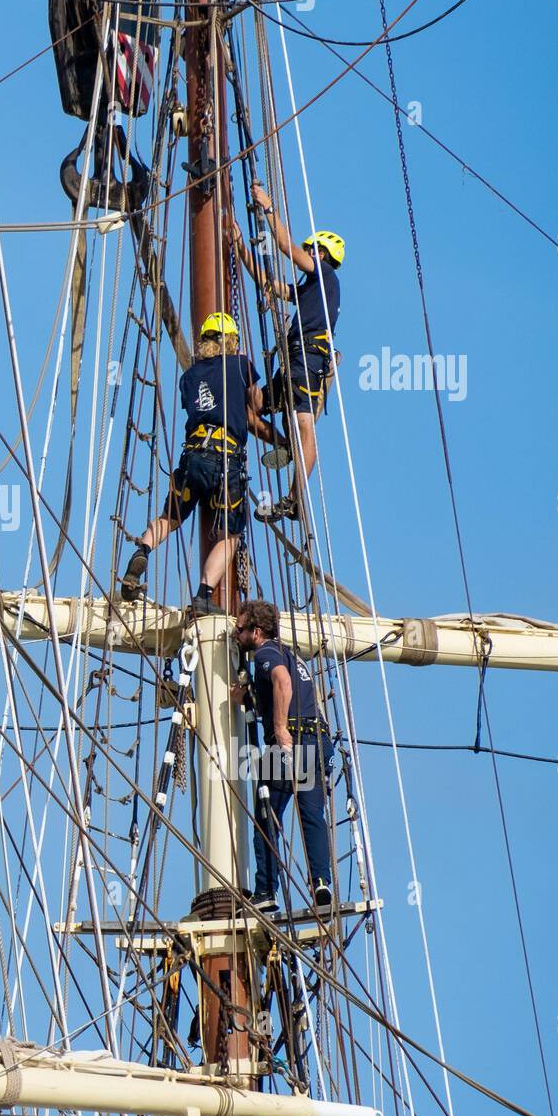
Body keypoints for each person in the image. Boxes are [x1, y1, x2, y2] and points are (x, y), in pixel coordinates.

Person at [119, 313, 281, 615]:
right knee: (231, 536)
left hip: (193, 456)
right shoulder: (241, 364)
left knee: (171, 516)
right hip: (226, 460)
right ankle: (205, 595)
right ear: (232, 340)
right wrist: (282, 437)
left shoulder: (189, 376)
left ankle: (141, 551)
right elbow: (255, 410)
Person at [224, 186, 344, 523]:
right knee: (250, 407)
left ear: (321, 253)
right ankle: (287, 447)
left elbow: (283, 245)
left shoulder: (324, 273)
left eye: (311, 251)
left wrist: (268, 206)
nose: (307, 253)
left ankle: (293, 499)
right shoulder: (311, 290)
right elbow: (268, 283)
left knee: (305, 426)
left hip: (307, 358)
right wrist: (241, 248)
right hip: (293, 360)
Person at [232, 598, 334, 912]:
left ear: (256, 631)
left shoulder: (265, 654)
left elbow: (281, 682)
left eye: (240, 629)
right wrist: (247, 697)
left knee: (267, 816)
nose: (236, 634)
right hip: (318, 741)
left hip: (293, 742)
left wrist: (279, 728)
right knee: (311, 816)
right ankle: (321, 883)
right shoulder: (289, 654)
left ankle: (265, 892)